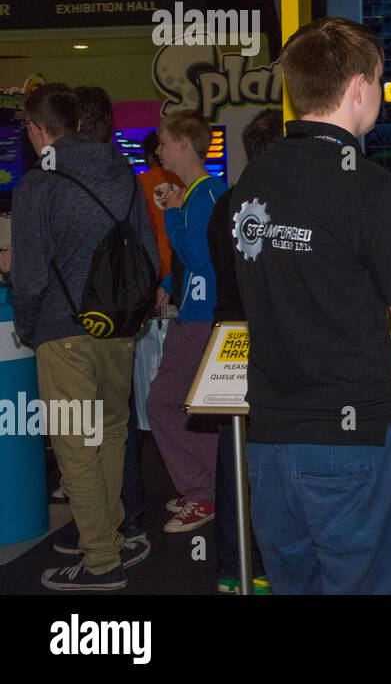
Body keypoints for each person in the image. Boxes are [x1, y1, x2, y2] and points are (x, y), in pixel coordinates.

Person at [233, 16, 391, 594]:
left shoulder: (250, 182)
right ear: (356, 88)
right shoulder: (370, 188)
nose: (380, 92)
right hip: (357, 445)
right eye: (378, 80)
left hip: (271, 446)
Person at [11, 84, 157, 590]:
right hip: (118, 332)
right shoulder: (123, 173)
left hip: (63, 335)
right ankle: (109, 538)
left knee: (75, 447)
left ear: (37, 128)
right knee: (111, 435)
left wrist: (30, 327)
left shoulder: (37, 186)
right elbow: (151, 260)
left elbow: (28, 277)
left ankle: (100, 562)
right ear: (76, 123)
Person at [206, 109, 281, 594]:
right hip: (276, 346)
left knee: (233, 454)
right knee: (273, 455)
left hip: (230, 344)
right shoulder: (288, 208)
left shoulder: (226, 205)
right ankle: (271, 565)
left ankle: (234, 564)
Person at [146, 110, 225, 533]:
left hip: (201, 320)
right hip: (194, 316)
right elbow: (197, 264)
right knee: (189, 409)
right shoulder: (201, 194)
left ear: (182, 144)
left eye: (162, 141)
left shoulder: (205, 195)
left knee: (164, 404)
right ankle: (212, 488)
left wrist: (172, 214)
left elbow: (197, 256)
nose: (158, 150)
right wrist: (167, 281)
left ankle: (205, 492)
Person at [138, 131, 183, 290]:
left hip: (154, 270)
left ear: (149, 157)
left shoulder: (139, 184)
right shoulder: (183, 180)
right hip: (185, 264)